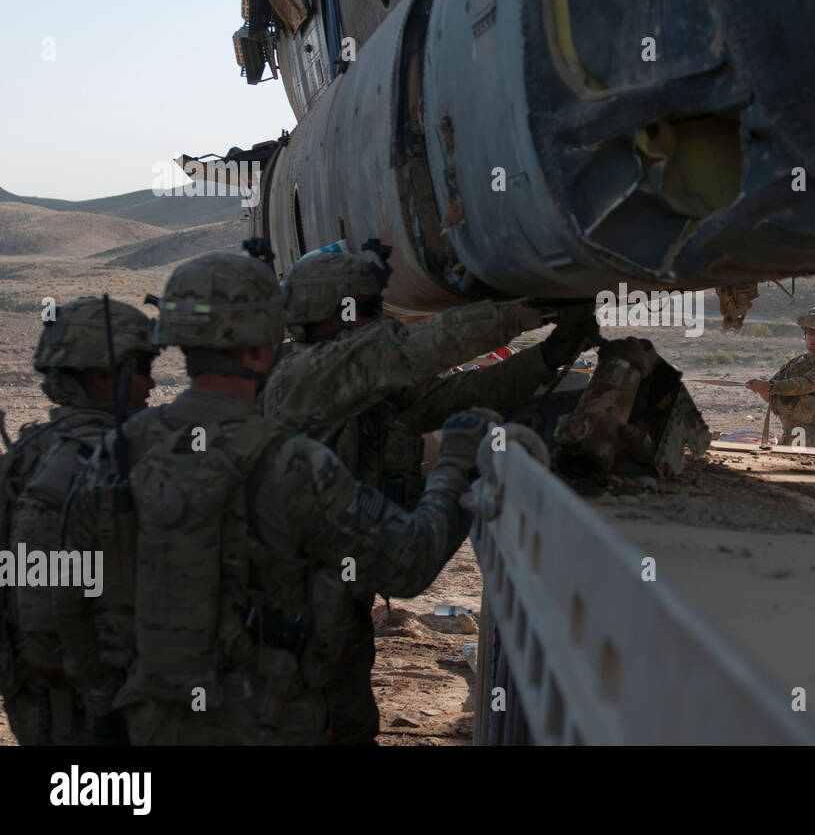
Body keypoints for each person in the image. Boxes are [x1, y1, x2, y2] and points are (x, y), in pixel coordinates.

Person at [57, 252, 503, 745]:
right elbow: (410, 563)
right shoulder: (292, 463)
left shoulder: (112, 454)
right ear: (264, 344)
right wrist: (456, 464)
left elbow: (71, 604)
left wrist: (110, 709)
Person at [261, 247, 598, 743]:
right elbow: (415, 349)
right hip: (296, 608)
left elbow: (448, 399)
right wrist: (533, 311)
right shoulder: (306, 377)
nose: (380, 321)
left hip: (335, 601)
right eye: (368, 310)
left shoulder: (357, 385)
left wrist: (549, 355)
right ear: (332, 314)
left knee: (348, 724)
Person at [0, 297, 156, 744]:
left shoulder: (35, 448)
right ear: (103, 378)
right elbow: (37, 573)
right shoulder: (87, 457)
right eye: (142, 368)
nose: (150, 383)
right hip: (79, 697)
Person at [745, 306, 815, 448]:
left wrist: (770, 386)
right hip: (790, 433)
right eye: (810, 332)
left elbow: (806, 384)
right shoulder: (795, 363)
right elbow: (774, 394)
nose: (813, 338)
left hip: (813, 436)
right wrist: (761, 388)